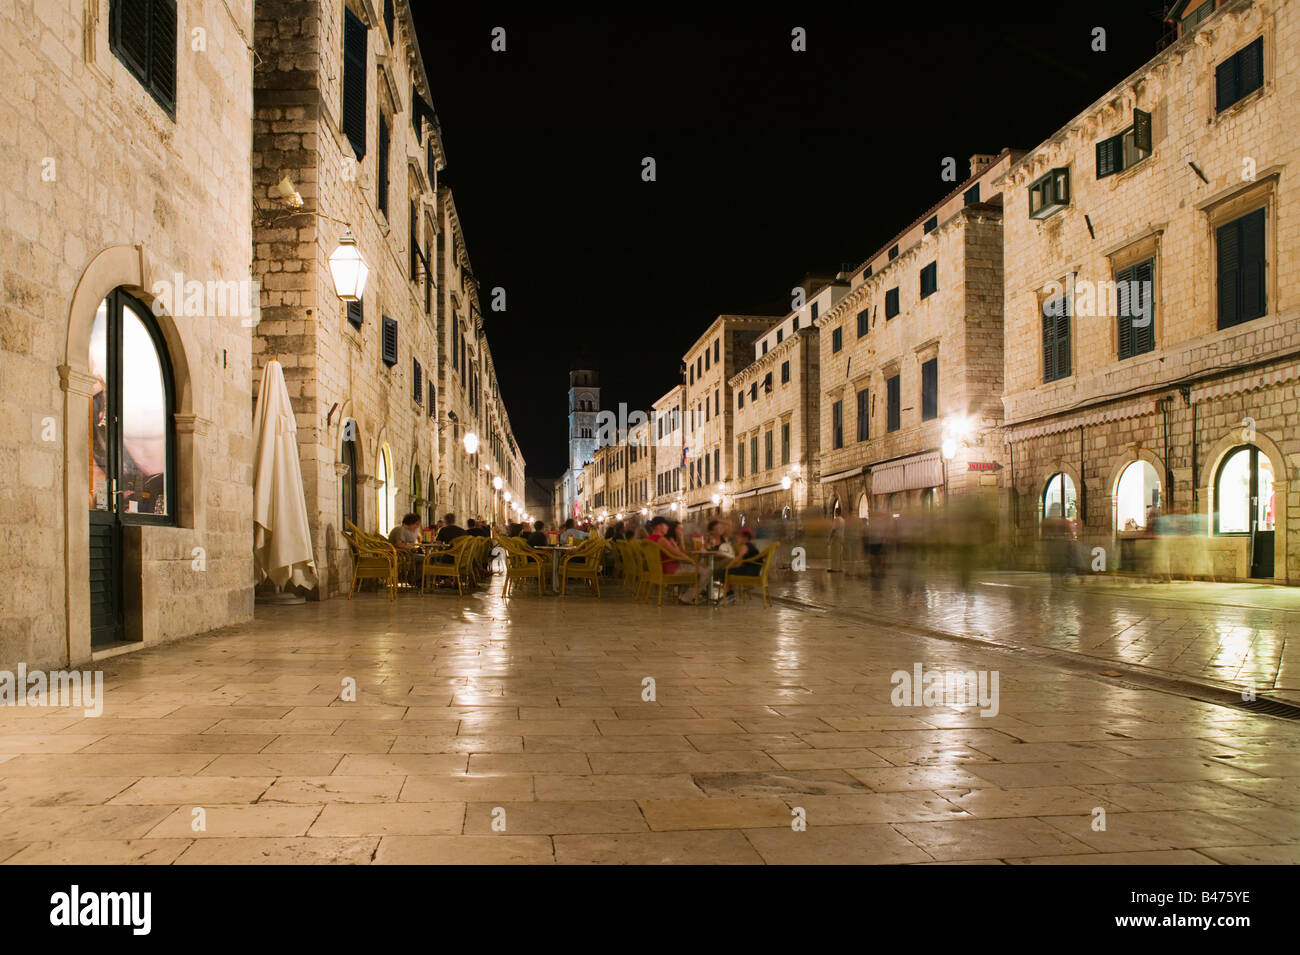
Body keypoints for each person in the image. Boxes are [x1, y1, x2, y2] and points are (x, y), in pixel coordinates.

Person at [647, 516, 696, 603]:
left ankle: (685, 595)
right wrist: (691, 560)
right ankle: (686, 597)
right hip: (672, 569)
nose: (668, 527)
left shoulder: (650, 539)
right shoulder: (661, 540)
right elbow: (678, 553)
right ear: (659, 526)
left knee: (694, 569)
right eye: (666, 525)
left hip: (660, 569)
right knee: (706, 571)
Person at [388, 513, 423, 584]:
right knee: (424, 559)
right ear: (410, 523)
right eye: (416, 524)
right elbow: (399, 544)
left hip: (403, 553)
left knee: (422, 558)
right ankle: (415, 580)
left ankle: (415, 579)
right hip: (398, 554)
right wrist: (410, 548)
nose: (417, 527)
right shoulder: (400, 530)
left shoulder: (405, 530)